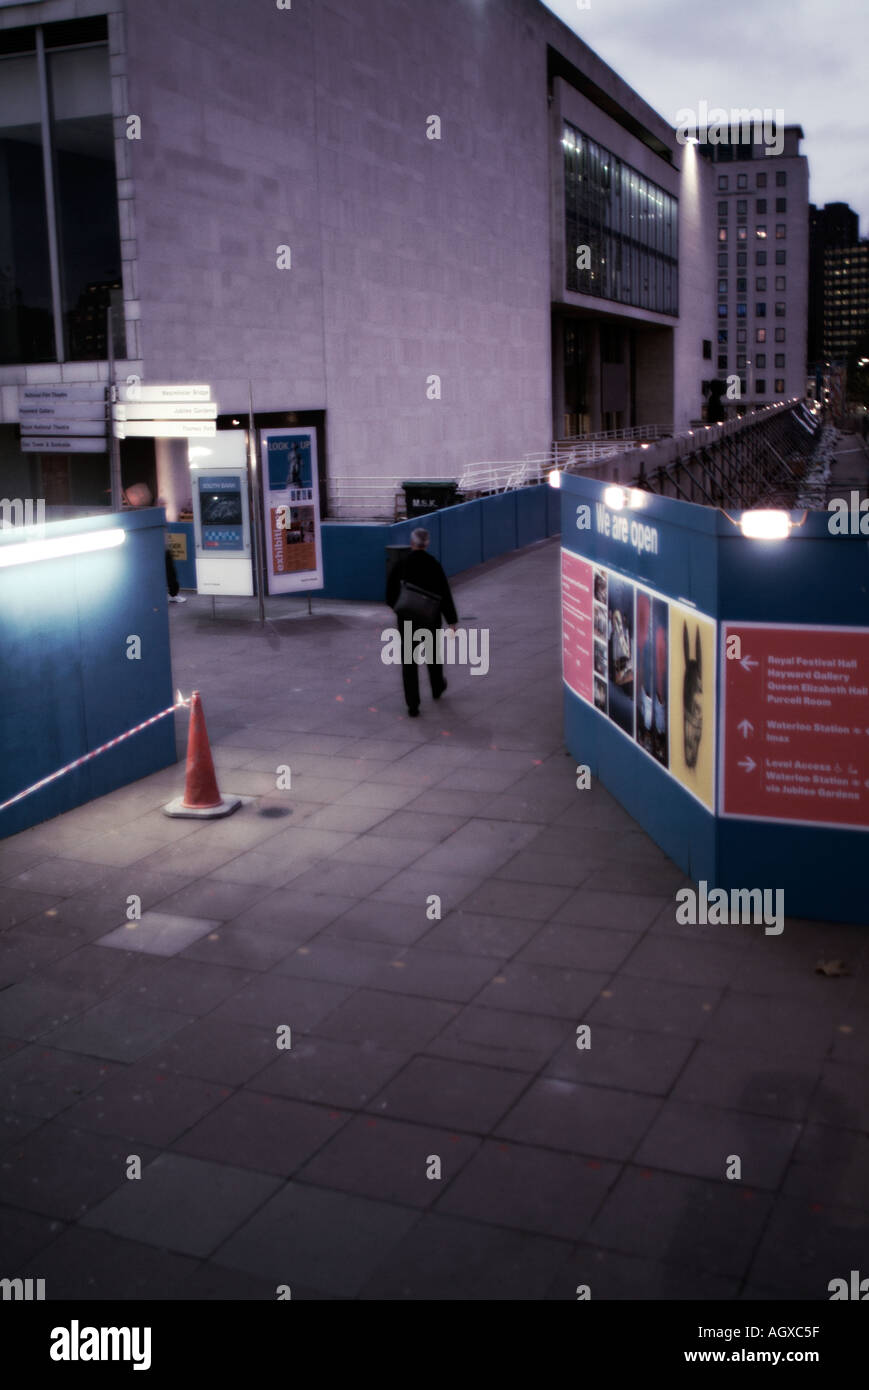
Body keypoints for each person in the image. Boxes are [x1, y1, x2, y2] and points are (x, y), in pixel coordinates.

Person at [385, 527, 458, 717]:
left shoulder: (401, 563)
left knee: (409, 662)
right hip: (430, 619)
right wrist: (452, 620)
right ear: (427, 544)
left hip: (407, 619)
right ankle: (437, 687)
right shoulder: (433, 564)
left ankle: (413, 705)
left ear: (411, 543)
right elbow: (444, 594)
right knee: (433, 655)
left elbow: (390, 594)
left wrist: (398, 609)